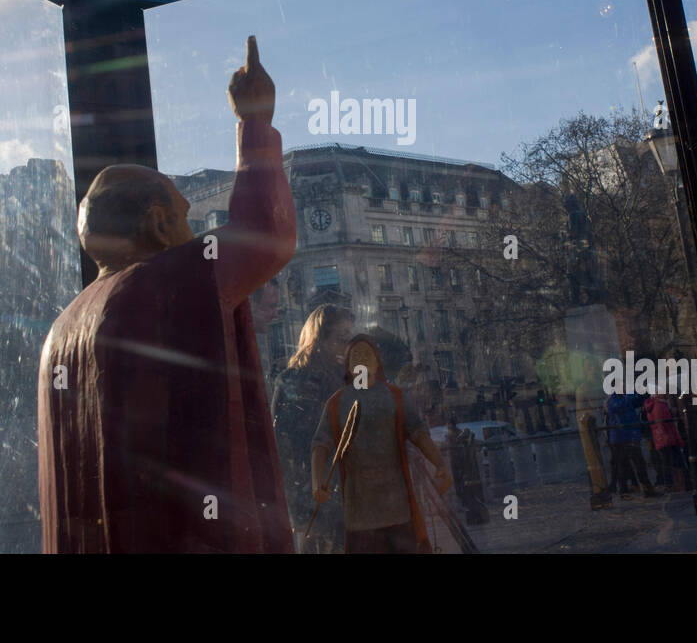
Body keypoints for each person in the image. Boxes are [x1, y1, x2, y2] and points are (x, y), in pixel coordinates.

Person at [37, 36, 297, 552]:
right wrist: (255, 122)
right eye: (183, 217)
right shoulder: (162, 282)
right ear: (157, 224)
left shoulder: (61, 330)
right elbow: (266, 233)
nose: (194, 234)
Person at [311, 335, 452, 553]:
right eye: (355, 355)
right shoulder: (337, 403)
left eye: (366, 354)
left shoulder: (395, 397)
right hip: (359, 509)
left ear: (377, 361)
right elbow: (320, 445)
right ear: (347, 364)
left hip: (396, 504)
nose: (361, 359)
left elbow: (418, 433)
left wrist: (440, 464)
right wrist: (317, 482)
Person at [270, 304, 354, 552]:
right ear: (319, 340)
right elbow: (283, 446)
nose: (347, 346)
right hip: (316, 497)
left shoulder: (346, 378)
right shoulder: (294, 381)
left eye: (350, 338)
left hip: (345, 495)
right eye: (341, 339)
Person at [604, 391, 658, 499]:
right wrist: (630, 397)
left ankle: (647, 489)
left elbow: (636, 402)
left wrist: (642, 395)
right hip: (621, 437)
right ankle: (624, 492)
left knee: (640, 463)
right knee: (623, 465)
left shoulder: (625, 397)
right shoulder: (611, 400)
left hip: (631, 435)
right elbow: (617, 407)